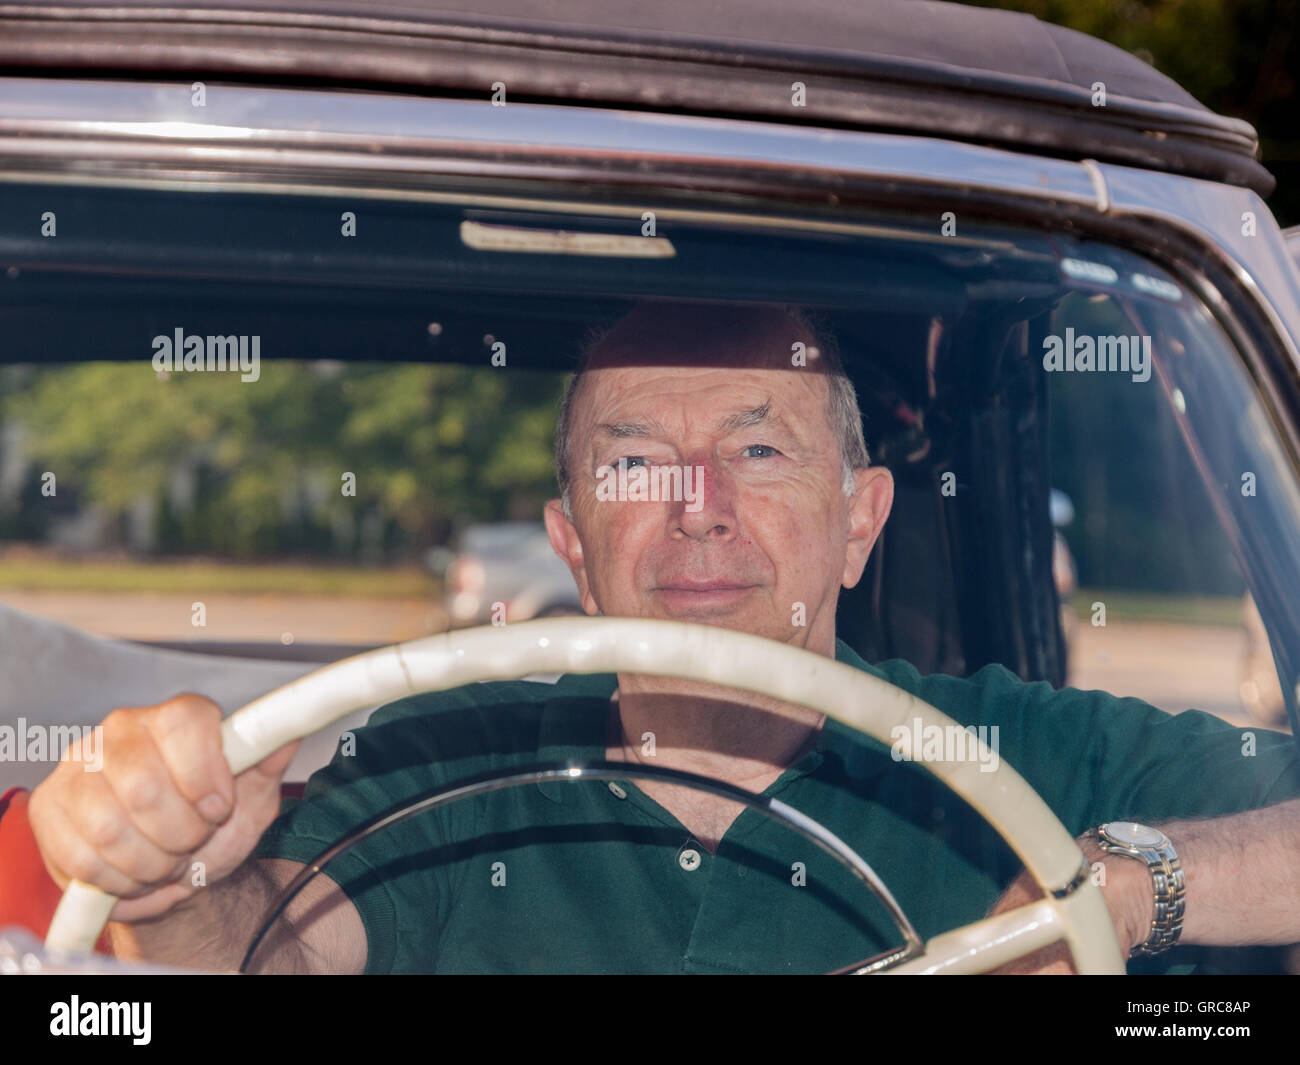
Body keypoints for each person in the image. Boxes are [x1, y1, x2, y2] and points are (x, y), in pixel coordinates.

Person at [28, 303, 1300, 974]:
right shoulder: (445, 753)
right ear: (571, 544)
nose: (697, 509)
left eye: (757, 450)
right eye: (634, 465)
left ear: (860, 524)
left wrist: (1128, 888)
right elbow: (280, 958)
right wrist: (167, 878)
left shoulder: (1025, 746)